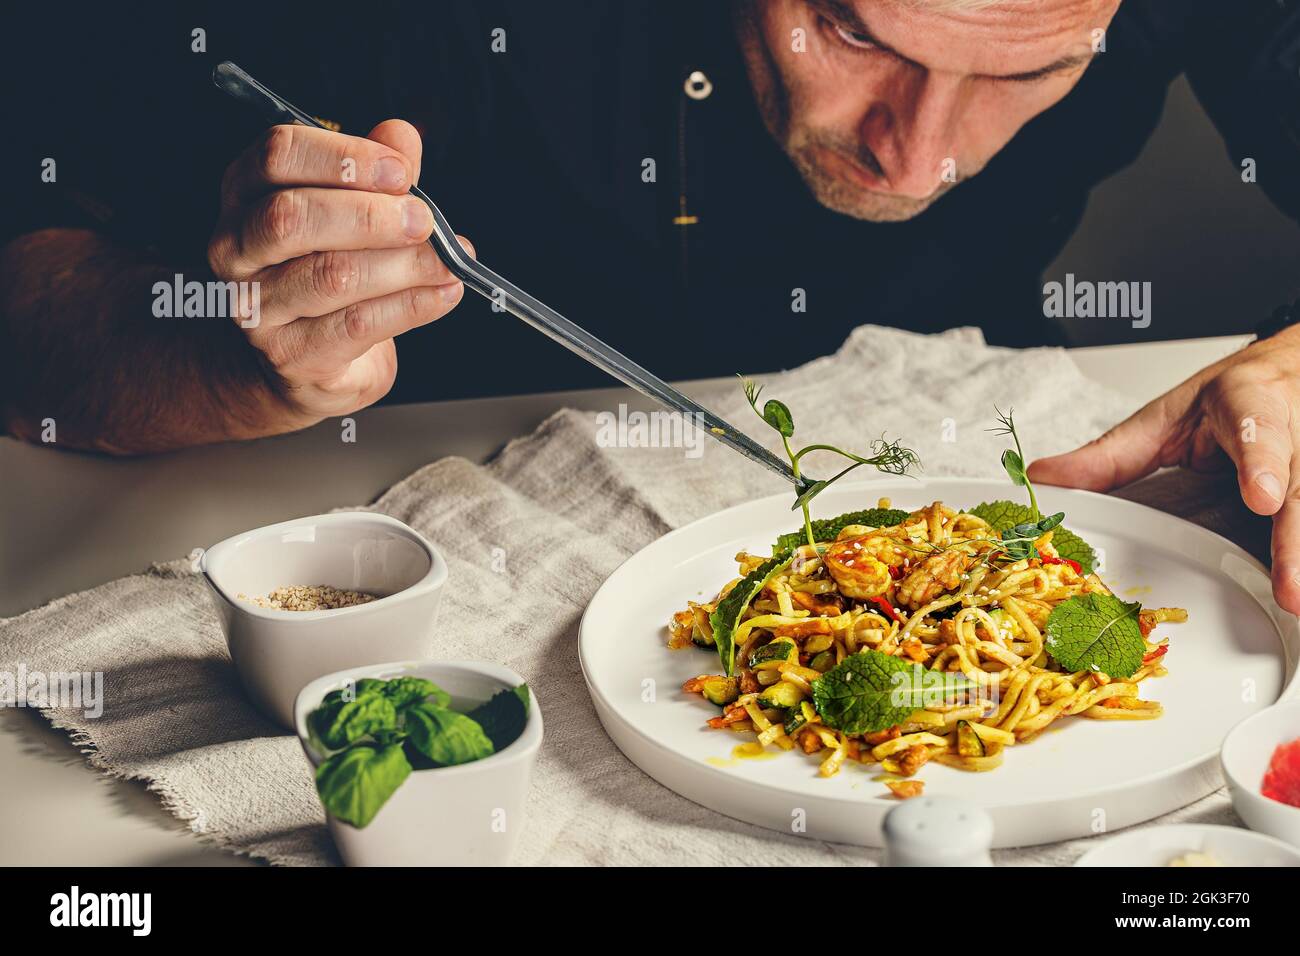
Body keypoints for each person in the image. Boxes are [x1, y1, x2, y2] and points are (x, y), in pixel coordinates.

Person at [4, 0, 1300, 612]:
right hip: (367, 507)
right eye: (855, 34)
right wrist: (224, 353)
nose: (923, 159)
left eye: (1037, 69)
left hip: (974, 424)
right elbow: (26, 315)